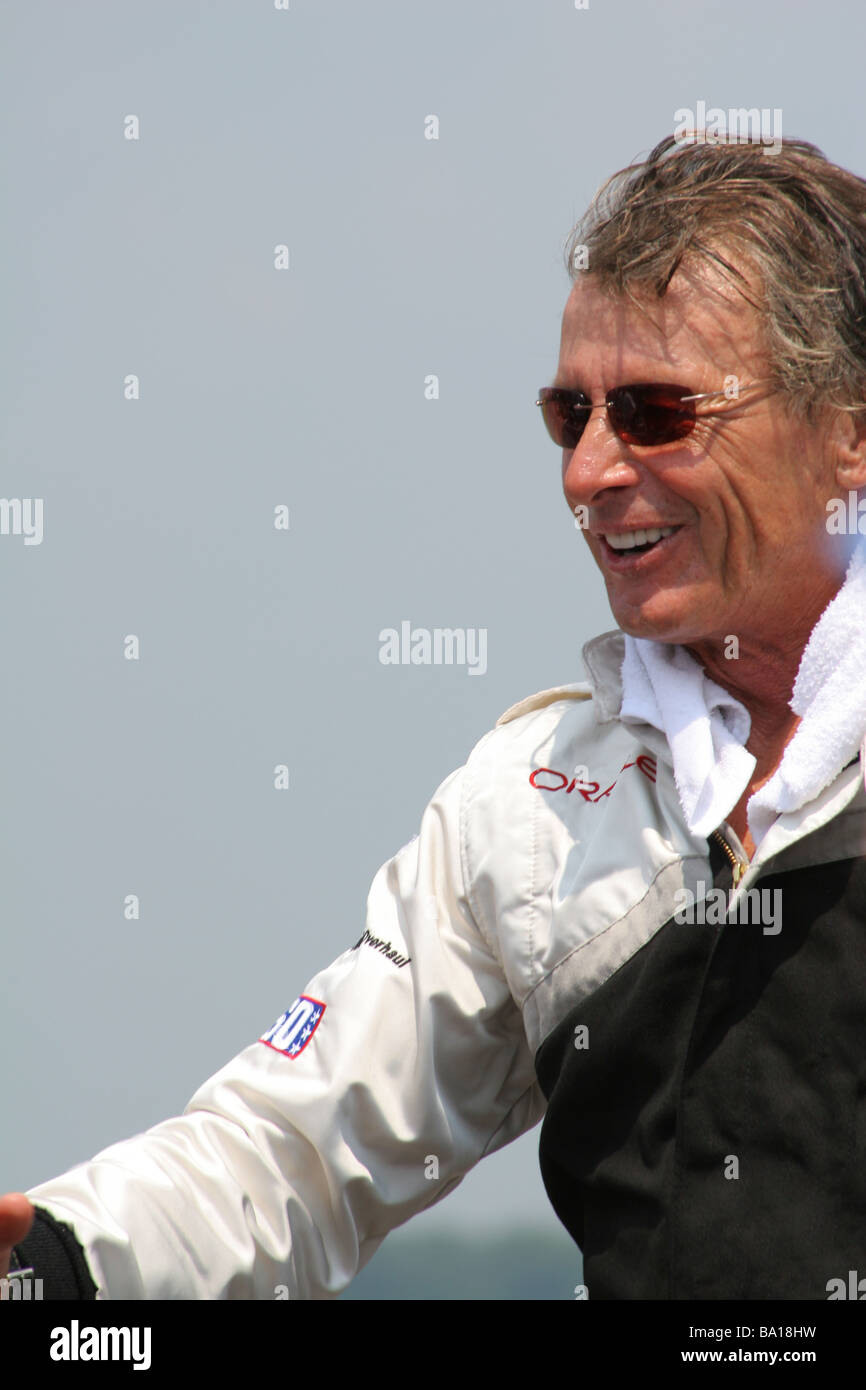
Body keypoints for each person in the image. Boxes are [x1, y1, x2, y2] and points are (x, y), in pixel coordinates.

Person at [4, 131, 866, 1301]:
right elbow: (293, 1156)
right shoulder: (530, 804)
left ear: (845, 432)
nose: (589, 471)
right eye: (571, 414)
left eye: (656, 412)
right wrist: (56, 1263)